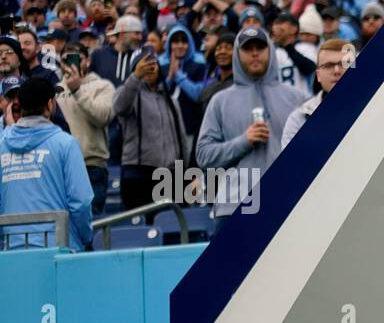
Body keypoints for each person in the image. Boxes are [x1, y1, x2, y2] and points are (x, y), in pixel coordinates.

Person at [195, 26, 300, 220]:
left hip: (287, 205)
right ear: (237, 53)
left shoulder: (297, 99)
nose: (254, 53)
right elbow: (203, 156)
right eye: (247, 48)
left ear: (270, 49)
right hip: (235, 207)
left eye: (260, 47)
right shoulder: (220, 101)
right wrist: (243, 141)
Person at [0, 77, 93, 251]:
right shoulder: (65, 144)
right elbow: (81, 201)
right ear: (50, 105)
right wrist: (85, 237)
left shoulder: (2, 145)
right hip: (58, 250)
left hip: (12, 251)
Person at [112, 46, 187, 210]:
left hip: (171, 175)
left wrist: (187, 173)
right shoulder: (127, 93)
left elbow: (181, 138)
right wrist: (135, 78)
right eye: (144, 64)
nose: (150, 67)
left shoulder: (170, 100)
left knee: (173, 228)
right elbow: (119, 108)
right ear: (134, 69)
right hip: (138, 174)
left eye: (153, 63)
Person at [54, 44, 115, 215]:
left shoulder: (103, 86)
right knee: (64, 227)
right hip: (61, 168)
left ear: (87, 61)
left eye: (76, 58)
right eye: (66, 59)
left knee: (92, 224)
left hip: (91, 166)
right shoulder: (54, 90)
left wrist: (77, 90)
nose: (71, 64)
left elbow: (103, 117)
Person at [281, 38, 350, 146]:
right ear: (318, 75)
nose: (337, 70)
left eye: (344, 64)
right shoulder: (298, 119)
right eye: (328, 65)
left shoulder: (372, 111)